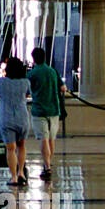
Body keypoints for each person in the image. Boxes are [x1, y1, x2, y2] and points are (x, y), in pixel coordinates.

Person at [0, 56, 32, 186]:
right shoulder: (26, 82)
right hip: (22, 117)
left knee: (10, 148)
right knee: (21, 145)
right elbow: (27, 95)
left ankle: (13, 177)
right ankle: (21, 173)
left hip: (6, 117)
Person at [27, 47, 68, 180]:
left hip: (39, 110)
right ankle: (48, 164)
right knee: (51, 139)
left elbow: (26, 91)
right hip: (54, 110)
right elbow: (63, 88)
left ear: (33, 59)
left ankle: (47, 167)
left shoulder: (32, 74)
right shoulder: (53, 71)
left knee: (43, 138)